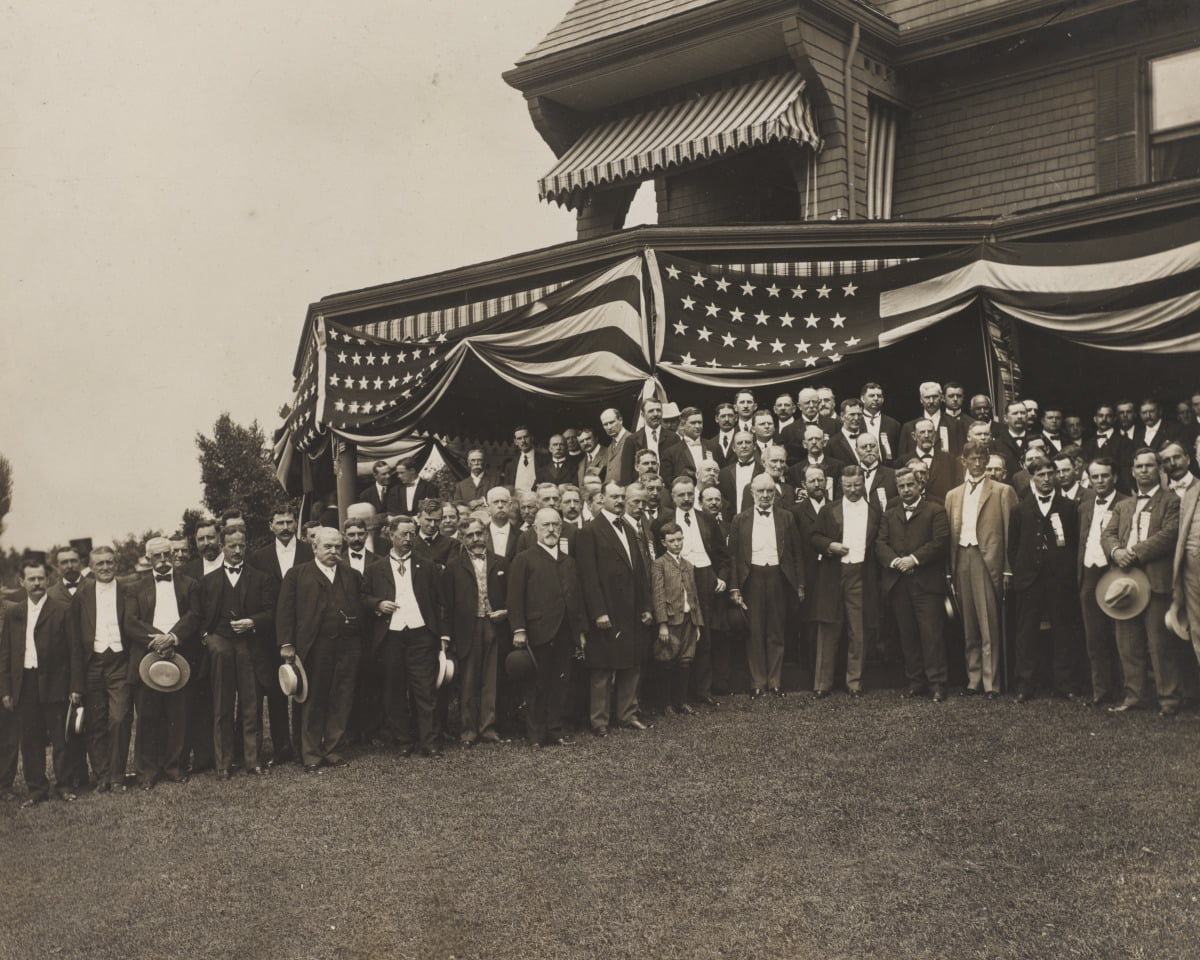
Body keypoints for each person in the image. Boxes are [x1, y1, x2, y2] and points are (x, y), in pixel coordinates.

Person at [1101, 448, 1183, 716]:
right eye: (1140, 466)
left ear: (1159, 469)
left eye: (1150, 466)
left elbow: (1170, 534)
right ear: (1132, 471)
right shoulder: (1124, 505)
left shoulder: (1171, 501)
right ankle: (1135, 696)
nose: (1144, 471)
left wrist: (1135, 552)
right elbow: (1108, 534)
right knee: (1127, 643)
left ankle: (1168, 699)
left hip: (1155, 581)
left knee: (1159, 644)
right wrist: (1116, 552)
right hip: (1125, 582)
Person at [277, 527, 365, 770]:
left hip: (347, 647)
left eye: (338, 547)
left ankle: (333, 749)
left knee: (341, 698)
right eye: (328, 546)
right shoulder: (297, 574)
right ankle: (311, 754)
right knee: (312, 700)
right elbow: (285, 611)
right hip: (314, 647)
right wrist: (287, 644)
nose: (333, 551)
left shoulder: (352, 574)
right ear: (314, 548)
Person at [361, 517, 448, 758]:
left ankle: (429, 741)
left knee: (425, 688)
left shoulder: (426, 566)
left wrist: (443, 635)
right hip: (391, 636)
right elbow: (362, 598)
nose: (409, 539)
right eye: (404, 534)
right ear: (391, 535)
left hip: (421, 634)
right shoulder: (375, 569)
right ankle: (403, 740)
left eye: (412, 534)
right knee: (394, 689)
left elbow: (441, 603)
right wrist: (378, 603)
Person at [0, 558, 80, 806]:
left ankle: (64, 785)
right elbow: (5, 655)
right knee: (31, 740)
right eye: (31, 579)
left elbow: (74, 652)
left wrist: (75, 687)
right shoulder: (14, 613)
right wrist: (6, 691)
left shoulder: (61, 610)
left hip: (56, 684)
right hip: (25, 685)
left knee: (60, 739)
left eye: (40, 578)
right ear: (21, 582)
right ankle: (37, 789)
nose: (36, 583)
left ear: (48, 580)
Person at [198, 527, 276, 778]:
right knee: (222, 705)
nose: (237, 551)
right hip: (221, 646)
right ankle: (223, 763)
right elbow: (200, 617)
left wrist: (252, 622)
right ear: (222, 546)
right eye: (232, 546)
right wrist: (209, 639)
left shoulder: (260, 578)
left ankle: (253, 760)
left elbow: (271, 612)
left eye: (241, 545)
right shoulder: (208, 582)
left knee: (251, 705)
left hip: (248, 647)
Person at [576, 482, 653, 735]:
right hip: (607, 610)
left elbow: (639, 570)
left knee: (632, 664)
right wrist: (599, 612)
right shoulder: (590, 531)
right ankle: (599, 721)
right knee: (602, 667)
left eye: (622, 497)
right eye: (614, 496)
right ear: (601, 498)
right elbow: (587, 576)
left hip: (631, 609)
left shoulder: (629, 529)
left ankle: (627, 714)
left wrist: (645, 606)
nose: (619, 501)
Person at [124, 537, 201, 788]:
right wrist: (157, 640)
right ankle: (146, 771)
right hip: (148, 655)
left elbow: (195, 615)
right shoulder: (136, 588)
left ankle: (175, 766)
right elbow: (131, 622)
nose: (164, 560)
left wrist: (173, 637)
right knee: (147, 716)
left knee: (179, 715)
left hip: (180, 654)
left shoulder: (189, 584)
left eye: (168, 554)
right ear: (149, 558)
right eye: (157, 556)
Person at [944, 441, 1017, 697]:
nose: (977, 463)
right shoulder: (953, 495)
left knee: (989, 622)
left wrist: (1008, 567)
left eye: (981, 458)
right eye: (972, 458)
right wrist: (949, 570)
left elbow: (1010, 532)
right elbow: (949, 536)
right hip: (961, 558)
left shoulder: (1002, 491)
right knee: (969, 623)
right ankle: (973, 679)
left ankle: (991, 682)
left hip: (988, 560)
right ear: (963, 461)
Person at [1007, 457, 1082, 702]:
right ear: (1032, 479)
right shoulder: (1020, 509)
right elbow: (1013, 547)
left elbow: (1073, 543)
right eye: (1041, 475)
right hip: (1030, 581)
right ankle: (1025, 685)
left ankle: (1065, 683)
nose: (1047, 478)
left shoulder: (1069, 507)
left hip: (1059, 581)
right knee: (1026, 633)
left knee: (1064, 631)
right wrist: (1022, 574)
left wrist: (1065, 573)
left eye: (1051, 473)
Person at [728, 474, 806, 697]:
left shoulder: (787, 518)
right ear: (752, 493)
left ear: (775, 494)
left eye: (769, 491)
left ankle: (775, 681)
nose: (765, 496)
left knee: (776, 629)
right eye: (760, 491)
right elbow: (732, 557)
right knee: (754, 631)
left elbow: (796, 552)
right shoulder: (740, 520)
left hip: (778, 577)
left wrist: (800, 584)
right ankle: (757, 683)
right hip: (751, 577)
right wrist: (734, 588)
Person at [876, 467, 950, 700]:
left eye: (910, 485)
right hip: (899, 584)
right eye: (901, 486)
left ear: (919, 485)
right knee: (907, 635)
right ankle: (916, 682)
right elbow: (880, 543)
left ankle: (937, 684)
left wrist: (914, 560)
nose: (906, 489)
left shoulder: (935, 511)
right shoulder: (890, 513)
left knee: (931, 636)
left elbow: (940, 542)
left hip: (926, 584)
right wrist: (895, 561)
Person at [248, 507, 312, 764]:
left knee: (305, 689)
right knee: (276, 691)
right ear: (270, 526)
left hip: (306, 628)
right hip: (271, 633)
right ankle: (282, 747)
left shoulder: (309, 551)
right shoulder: (259, 557)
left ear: (296, 523)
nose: (285, 527)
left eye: (289, 522)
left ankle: (304, 743)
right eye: (280, 522)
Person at [810, 465, 880, 697]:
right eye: (848, 485)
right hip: (833, 573)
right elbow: (814, 537)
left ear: (863, 484)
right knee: (828, 628)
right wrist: (830, 546)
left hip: (860, 575)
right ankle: (822, 683)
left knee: (857, 630)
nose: (852, 489)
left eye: (857, 485)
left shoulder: (874, 512)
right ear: (841, 485)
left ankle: (854, 683)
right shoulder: (829, 510)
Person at [68, 545, 133, 793]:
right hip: (92, 665)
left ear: (116, 564)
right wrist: (76, 683)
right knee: (95, 723)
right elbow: (75, 643)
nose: (105, 567)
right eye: (100, 564)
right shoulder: (81, 596)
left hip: (119, 662)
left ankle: (117, 776)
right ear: (91, 568)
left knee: (118, 718)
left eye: (109, 562)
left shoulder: (129, 591)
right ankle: (103, 776)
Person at [443, 518, 509, 746]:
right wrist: (447, 634)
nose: (476, 539)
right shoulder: (454, 566)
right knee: (469, 679)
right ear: (462, 539)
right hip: (467, 627)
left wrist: (505, 612)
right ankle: (469, 730)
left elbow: (511, 595)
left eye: (479, 534)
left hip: (493, 625)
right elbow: (447, 603)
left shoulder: (501, 563)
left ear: (487, 535)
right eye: (470, 535)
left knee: (491, 678)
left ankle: (488, 727)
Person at [1077, 457, 1126, 705]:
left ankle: (1124, 689)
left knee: (1120, 634)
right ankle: (1101, 691)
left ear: (1114, 477)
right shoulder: (1085, 505)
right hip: (1089, 572)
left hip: (1115, 574)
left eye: (1104, 475)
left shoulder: (1127, 503)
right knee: (1094, 636)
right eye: (1094, 476)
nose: (1099, 481)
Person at [651, 522, 703, 717]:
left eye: (679, 539)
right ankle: (665, 704)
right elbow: (658, 595)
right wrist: (662, 624)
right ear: (664, 543)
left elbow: (694, 595)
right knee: (667, 661)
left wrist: (697, 623)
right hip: (671, 621)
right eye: (672, 541)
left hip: (689, 619)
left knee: (685, 661)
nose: (676, 544)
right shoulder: (659, 564)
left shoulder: (688, 565)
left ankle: (681, 701)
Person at [899, 381, 965, 460]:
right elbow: (902, 458)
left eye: (935, 397)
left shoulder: (955, 424)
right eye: (927, 397)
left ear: (941, 398)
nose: (931, 401)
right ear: (921, 400)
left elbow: (960, 455)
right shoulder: (908, 427)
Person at [661, 407, 718, 487]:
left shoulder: (713, 446)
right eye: (693, 423)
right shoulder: (671, 452)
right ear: (683, 425)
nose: (698, 426)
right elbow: (668, 482)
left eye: (700, 422)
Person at [860, 382, 901, 464]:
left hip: (887, 469)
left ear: (883, 399)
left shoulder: (893, 424)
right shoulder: (856, 422)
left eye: (879, 396)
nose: (876, 399)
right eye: (871, 396)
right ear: (862, 399)